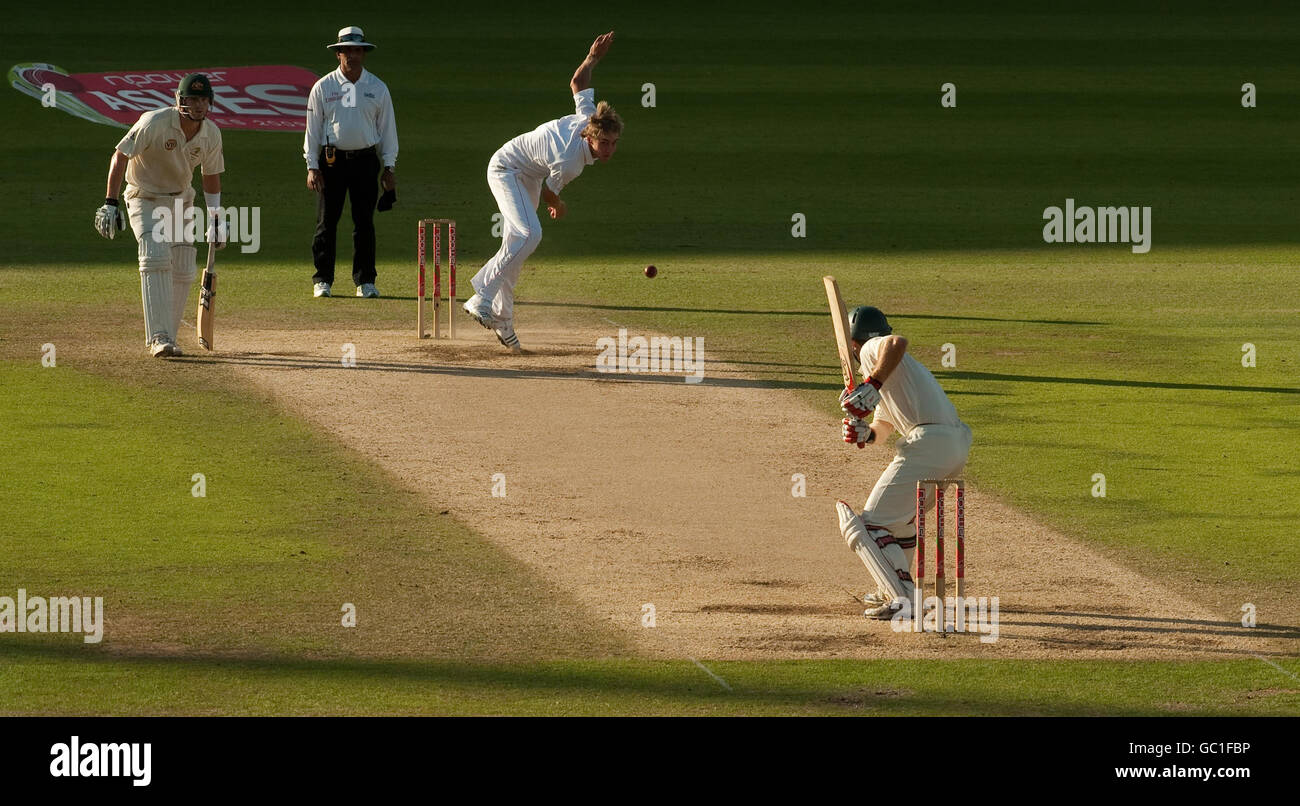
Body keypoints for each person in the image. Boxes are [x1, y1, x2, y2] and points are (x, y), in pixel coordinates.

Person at [462, 31, 622, 352]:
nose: (608, 150)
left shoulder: (586, 117)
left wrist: (592, 58)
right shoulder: (571, 161)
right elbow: (551, 193)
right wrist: (559, 205)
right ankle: (481, 295)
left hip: (529, 176)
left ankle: (503, 322)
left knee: (515, 247)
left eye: (613, 144)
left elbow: (577, 82)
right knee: (529, 235)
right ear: (591, 137)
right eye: (603, 143)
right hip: (507, 169)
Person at [833, 305, 973, 618]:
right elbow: (881, 429)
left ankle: (904, 598)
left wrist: (872, 385)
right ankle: (894, 589)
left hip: (929, 444)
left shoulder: (873, 350)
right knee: (897, 522)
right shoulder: (901, 372)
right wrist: (863, 433)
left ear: (853, 344)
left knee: (868, 525)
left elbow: (896, 342)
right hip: (953, 446)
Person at [95, 73, 226, 358]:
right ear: (181, 100)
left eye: (204, 99)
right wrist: (110, 202)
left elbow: (211, 176)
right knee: (154, 252)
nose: (199, 106)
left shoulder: (211, 133)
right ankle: (158, 337)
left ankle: (170, 335)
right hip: (144, 196)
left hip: (180, 199)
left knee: (183, 264)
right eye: (193, 99)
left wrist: (216, 218)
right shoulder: (153, 122)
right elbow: (120, 155)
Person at [304, 25, 398, 299]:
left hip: (366, 160)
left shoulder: (377, 87)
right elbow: (312, 129)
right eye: (347, 51)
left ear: (363, 53)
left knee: (364, 222)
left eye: (357, 50)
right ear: (338, 54)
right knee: (326, 223)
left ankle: (365, 281)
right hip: (331, 162)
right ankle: (322, 279)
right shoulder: (323, 87)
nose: (352, 56)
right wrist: (312, 165)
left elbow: (387, 130)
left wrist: (389, 166)